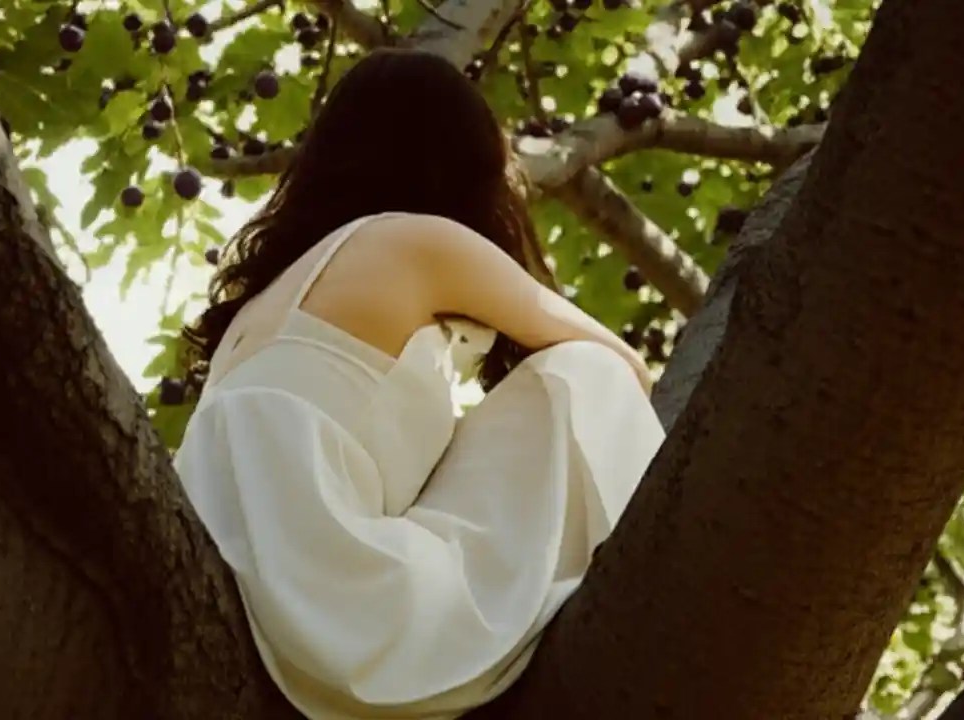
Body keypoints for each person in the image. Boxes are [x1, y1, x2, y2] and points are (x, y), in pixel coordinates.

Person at [173, 47, 666, 720]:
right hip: (358, 621)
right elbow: (626, 367)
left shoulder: (261, 311)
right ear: (464, 160)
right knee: (593, 374)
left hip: (277, 613)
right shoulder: (418, 243)